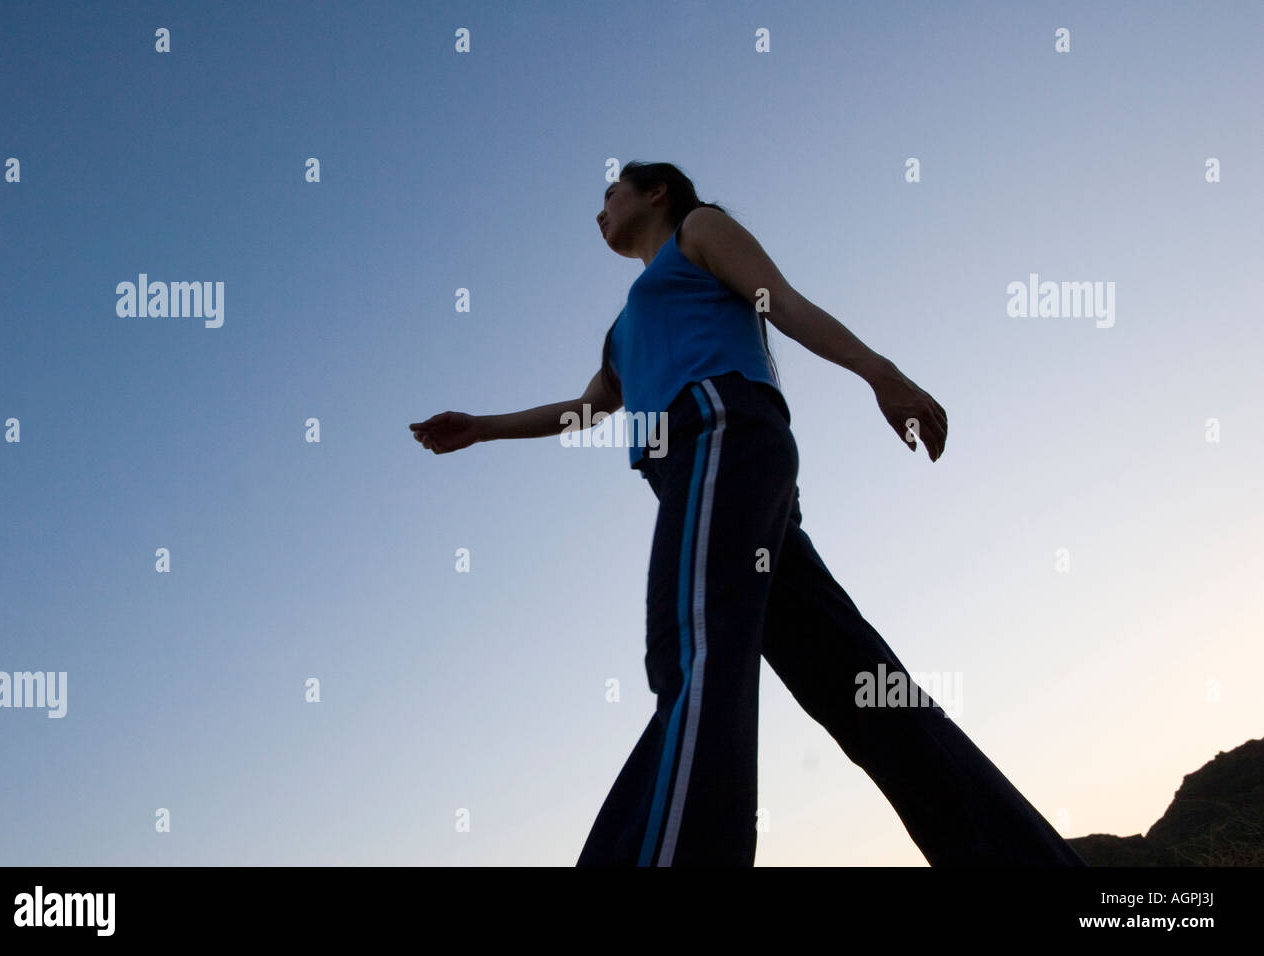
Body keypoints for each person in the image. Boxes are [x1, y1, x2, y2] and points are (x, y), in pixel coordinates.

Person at [409, 161, 1087, 868]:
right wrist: (482, 426)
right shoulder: (621, 331)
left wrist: (881, 374)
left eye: (610, 194)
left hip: (720, 434)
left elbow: (781, 302)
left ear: (656, 191)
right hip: (711, 478)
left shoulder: (698, 232)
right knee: (859, 686)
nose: (600, 211)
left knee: (695, 650)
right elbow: (585, 410)